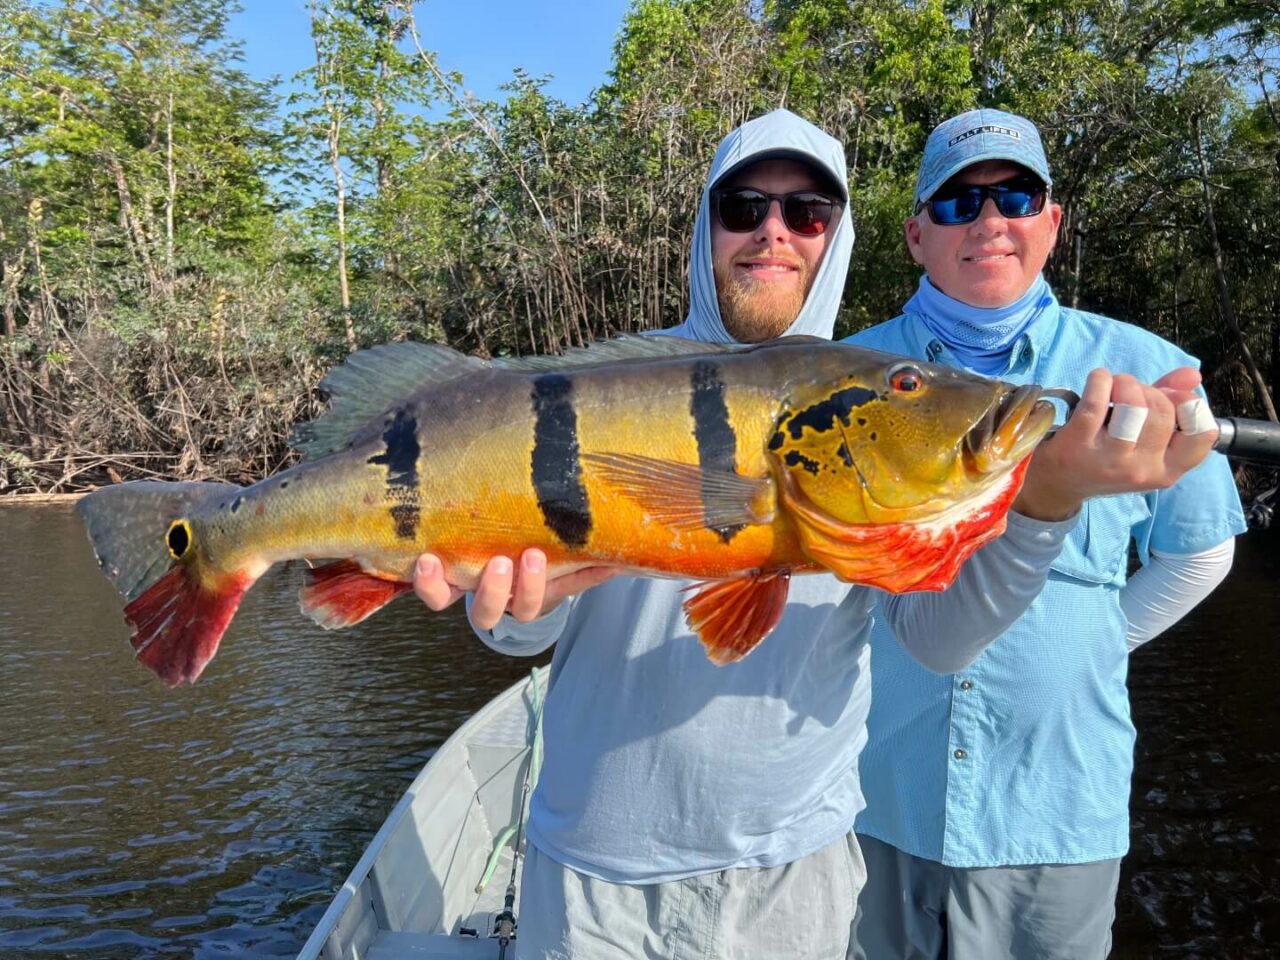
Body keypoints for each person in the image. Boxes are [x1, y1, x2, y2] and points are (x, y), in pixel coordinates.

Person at [412, 109, 1214, 960]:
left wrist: (1046, 504)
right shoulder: (604, 383)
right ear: (705, 229)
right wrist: (517, 612)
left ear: (838, 237)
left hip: (797, 877)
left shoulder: (860, 408)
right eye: (744, 206)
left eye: (807, 213)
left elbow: (936, 641)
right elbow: (511, 629)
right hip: (594, 875)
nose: (773, 233)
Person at [845, 108, 1248, 960]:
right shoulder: (839, 373)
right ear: (916, 235)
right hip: (873, 795)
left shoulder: (1142, 364)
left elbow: (1201, 551)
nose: (990, 221)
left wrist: (1106, 635)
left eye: (1015, 197)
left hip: (1056, 806)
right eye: (958, 204)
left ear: (1051, 222)